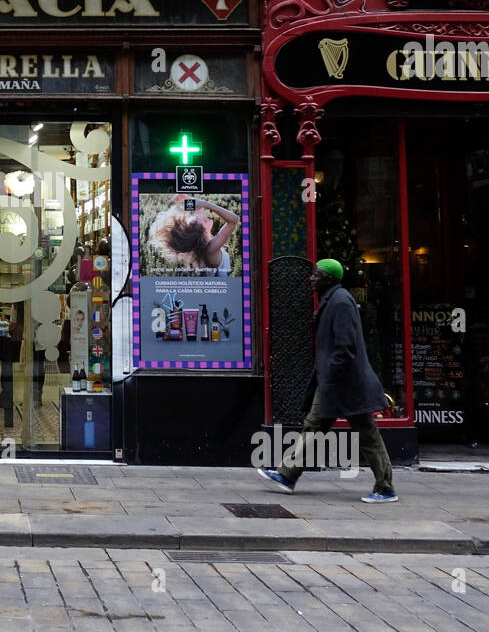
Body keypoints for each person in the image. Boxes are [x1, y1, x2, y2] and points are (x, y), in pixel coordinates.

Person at [258, 258, 399, 503]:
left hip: (346, 383)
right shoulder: (331, 300)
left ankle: (385, 488)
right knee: (314, 426)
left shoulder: (341, 301)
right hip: (336, 381)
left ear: (330, 278)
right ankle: (287, 474)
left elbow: (345, 347)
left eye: (316, 274)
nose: (311, 278)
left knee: (366, 434)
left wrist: (330, 376)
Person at [147, 195, 239, 274]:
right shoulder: (210, 250)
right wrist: (207, 204)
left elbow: (199, 208)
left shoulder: (202, 241)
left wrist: (186, 197)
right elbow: (233, 220)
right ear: (202, 231)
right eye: (203, 220)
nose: (204, 216)